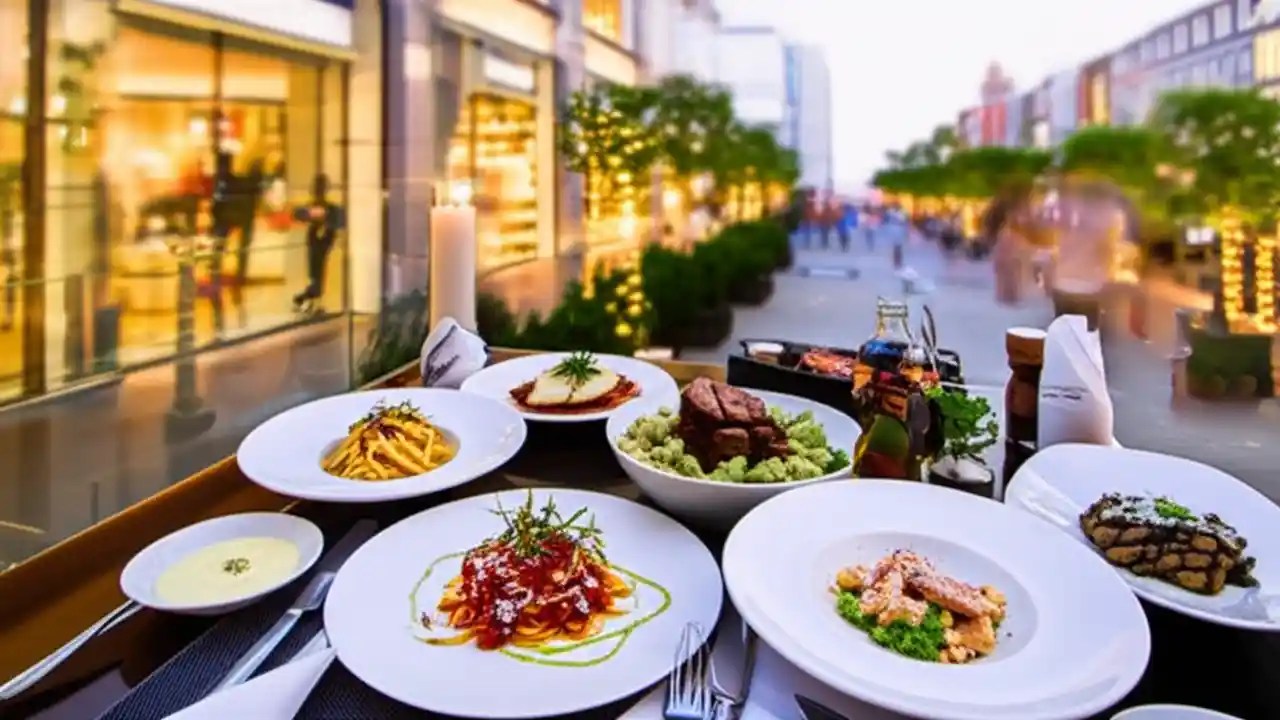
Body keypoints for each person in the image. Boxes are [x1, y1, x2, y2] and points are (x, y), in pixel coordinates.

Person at [292, 173, 345, 312]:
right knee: (315, 271)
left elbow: (339, 220)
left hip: (322, 243)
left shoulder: (330, 209)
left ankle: (311, 296)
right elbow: (298, 214)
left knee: (317, 270)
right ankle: (311, 296)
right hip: (316, 242)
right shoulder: (313, 208)